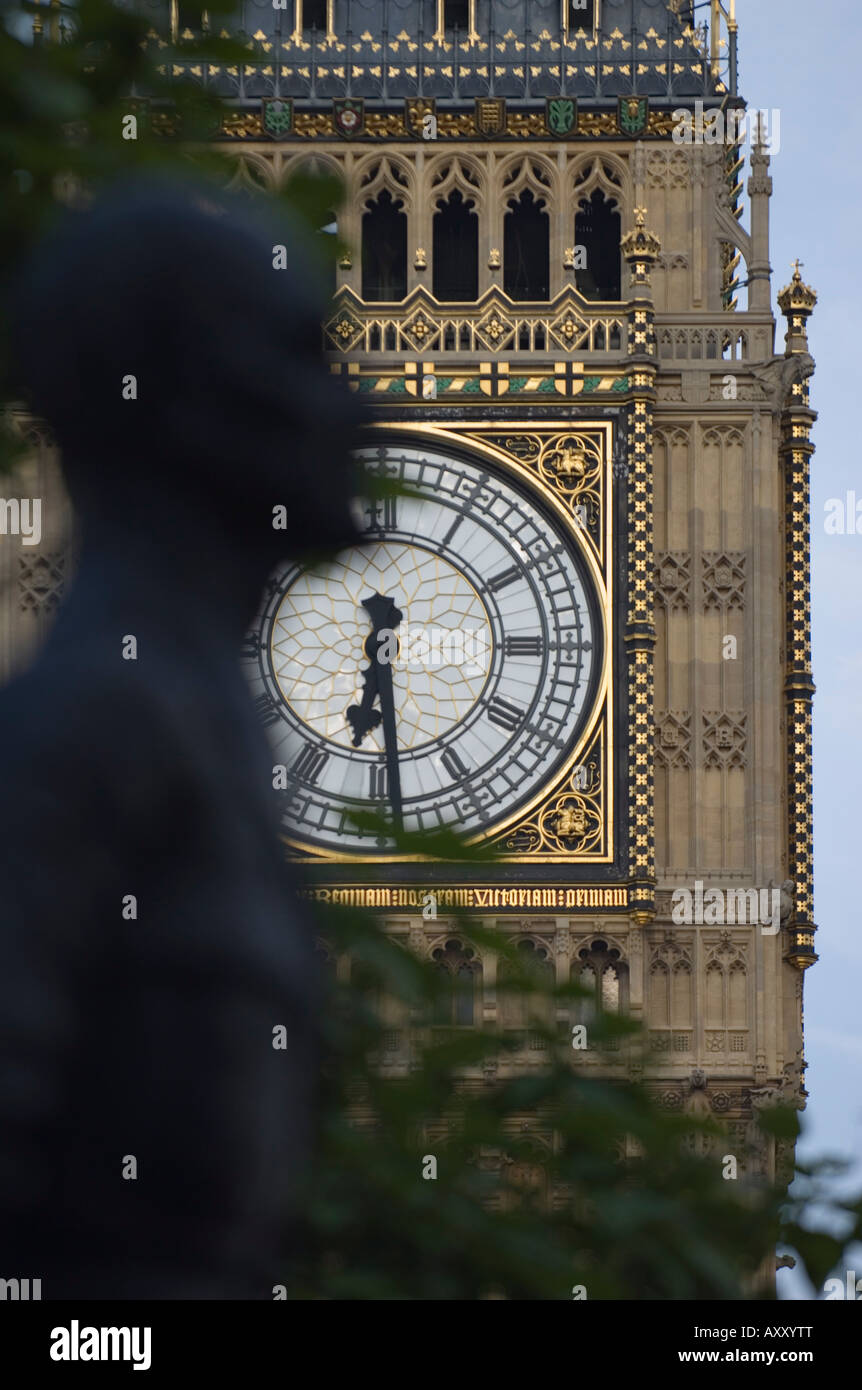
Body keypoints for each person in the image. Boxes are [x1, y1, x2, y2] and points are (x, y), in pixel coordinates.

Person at [0, 178, 360, 1298]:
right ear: (193, 401)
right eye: (304, 355)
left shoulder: (193, 724)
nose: (361, 410)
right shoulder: (95, 724)